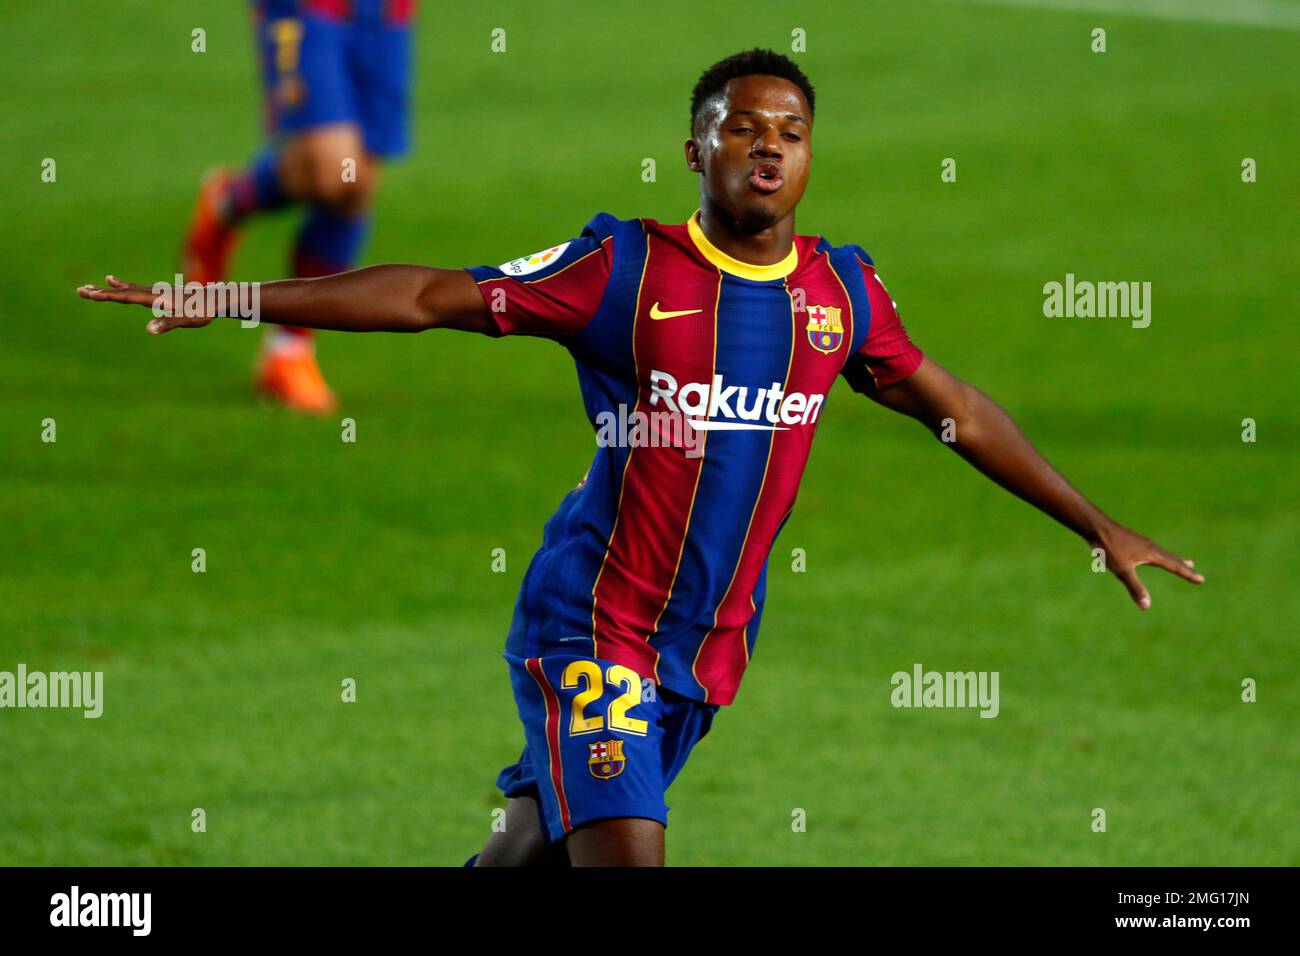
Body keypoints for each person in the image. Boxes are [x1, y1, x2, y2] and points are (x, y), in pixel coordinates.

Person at [79, 48, 1204, 866]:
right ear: (696, 150)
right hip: (594, 624)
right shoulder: (621, 268)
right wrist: (225, 294)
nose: (767, 147)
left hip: (707, 643)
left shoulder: (839, 294)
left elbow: (955, 406)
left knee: (524, 850)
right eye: (742, 127)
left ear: (810, 157)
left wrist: (1094, 520)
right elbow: (425, 294)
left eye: (790, 132)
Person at [182, 0, 418, 412]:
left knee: (354, 186)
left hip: (387, 16)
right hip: (308, 11)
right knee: (331, 168)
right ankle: (228, 206)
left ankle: (287, 350)